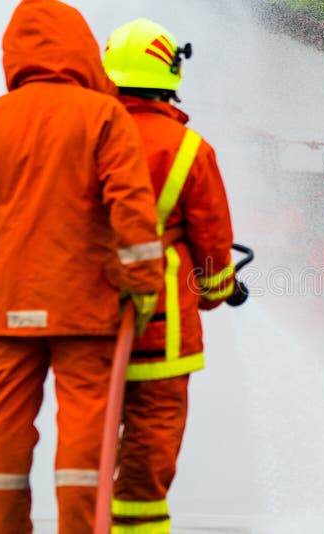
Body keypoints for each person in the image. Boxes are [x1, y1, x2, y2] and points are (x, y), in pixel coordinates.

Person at [0, 1, 164, 532]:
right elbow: (131, 211)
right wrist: (144, 288)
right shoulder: (104, 116)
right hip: (84, 306)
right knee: (84, 434)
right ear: (83, 52)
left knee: (3, 424)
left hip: (8, 305)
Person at [102, 18, 235, 532]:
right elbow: (212, 244)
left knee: (89, 438)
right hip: (162, 328)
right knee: (150, 440)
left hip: (89, 320)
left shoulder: (86, 135)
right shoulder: (187, 149)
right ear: (170, 71)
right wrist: (221, 292)